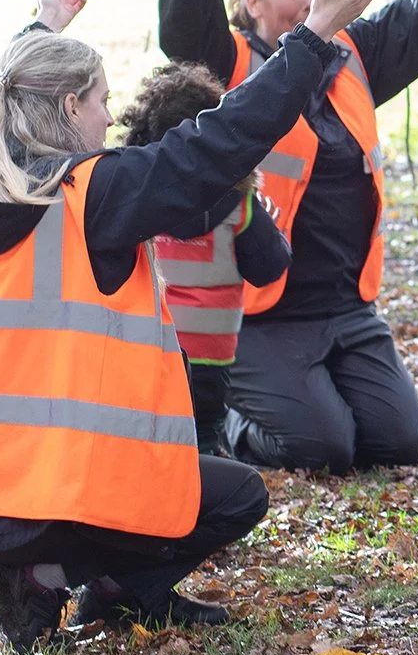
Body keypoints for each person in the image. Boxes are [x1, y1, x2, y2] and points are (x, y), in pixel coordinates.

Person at [0, 0, 384, 653]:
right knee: (236, 497)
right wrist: (318, 32)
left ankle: (101, 590)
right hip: (43, 493)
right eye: (100, 101)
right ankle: (47, 575)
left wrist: (42, 27)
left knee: (193, 488)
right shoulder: (94, 196)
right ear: (66, 109)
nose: (109, 116)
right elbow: (221, 140)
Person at [157, 0, 418, 475]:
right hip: (261, 316)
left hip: (347, 309)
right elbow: (185, 26)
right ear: (252, 3)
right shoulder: (225, 64)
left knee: (398, 442)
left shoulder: (357, 55)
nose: (309, 1)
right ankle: (231, 416)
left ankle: (312, 391)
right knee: (326, 450)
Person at [116, 62, 291, 456]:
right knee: (205, 441)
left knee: (148, 440)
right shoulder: (241, 203)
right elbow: (269, 268)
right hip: (212, 361)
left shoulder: (133, 200)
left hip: (148, 351)